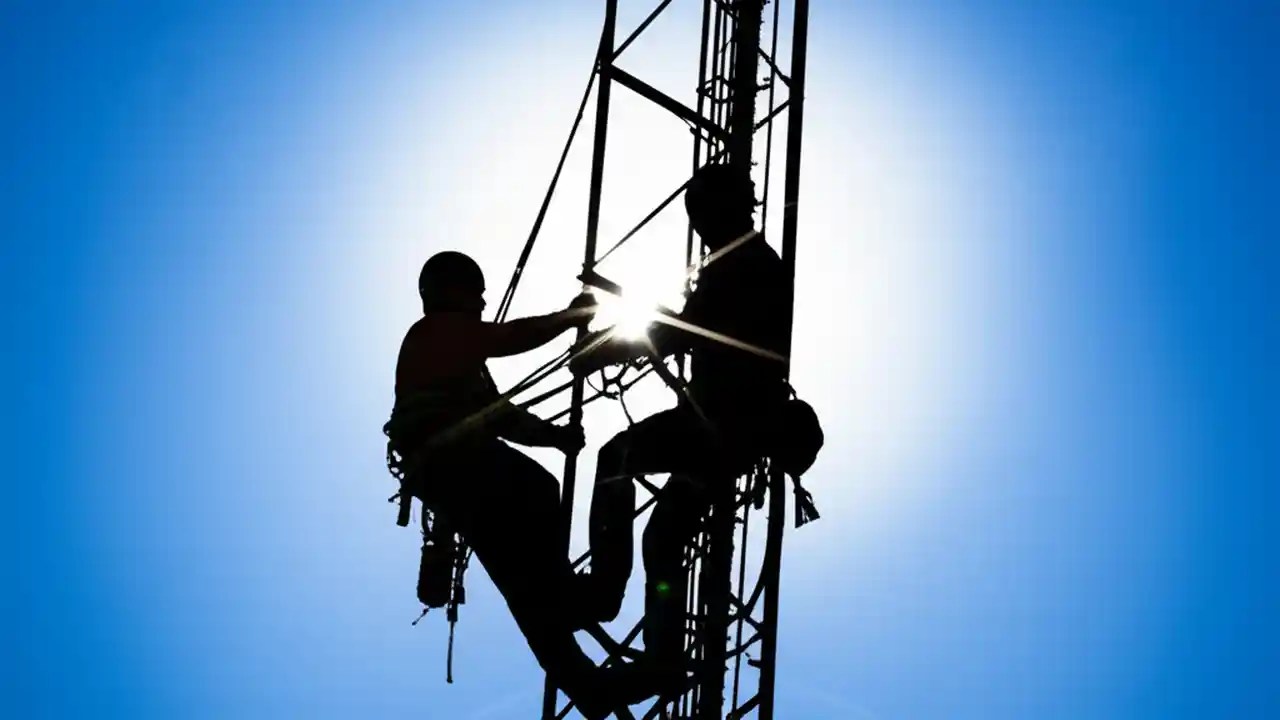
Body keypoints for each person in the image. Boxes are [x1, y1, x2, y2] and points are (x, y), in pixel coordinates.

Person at [384, 251, 659, 719]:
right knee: (539, 489)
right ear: (451, 291)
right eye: (476, 292)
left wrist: (553, 436)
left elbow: (501, 416)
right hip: (451, 460)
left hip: (452, 477)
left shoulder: (456, 357)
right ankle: (568, 592)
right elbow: (512, 338)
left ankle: (587, 682)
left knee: (523, 589)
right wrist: (569, 318)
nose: (483, 301)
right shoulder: (436, 331)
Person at [568, 163, 793, 681]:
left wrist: (601, 352)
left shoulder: (743, 265)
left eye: (703, 215)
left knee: (617, 457)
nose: (701, 227)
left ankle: (605, 587)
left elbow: (678, 332)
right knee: (664, 538)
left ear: (722, 210)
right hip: (727, 434)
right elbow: (684, 329)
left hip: (719, 424)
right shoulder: (744, 263)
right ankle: (665, 651)